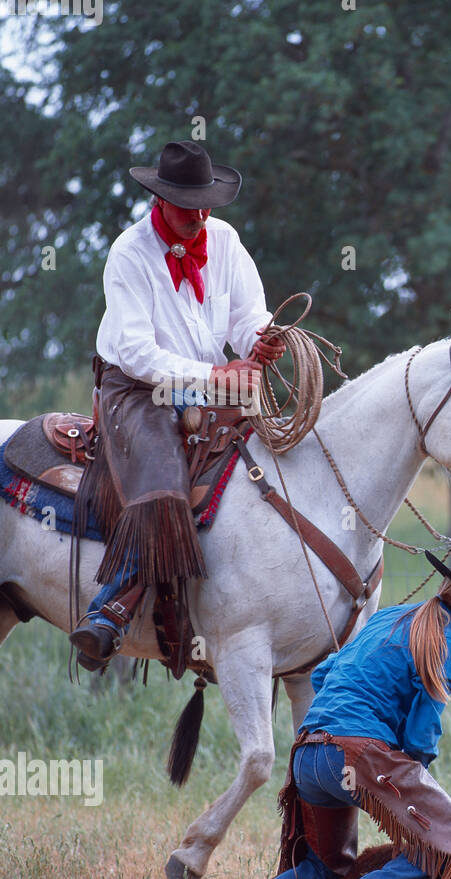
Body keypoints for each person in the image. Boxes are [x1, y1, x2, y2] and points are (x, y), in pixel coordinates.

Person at [193, 550, 451, 879]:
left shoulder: (388, 617)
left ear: (444, 586)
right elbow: (420, 736)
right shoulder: (445, 642)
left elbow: (324, 673)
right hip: (356, 755)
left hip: (308, 751)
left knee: (324, 867)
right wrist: (416, 797)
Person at [70, 140, 285, 671]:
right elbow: (140, 354)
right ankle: (111, 609)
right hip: (136, 388)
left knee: (277, 455)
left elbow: (245, 316)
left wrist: (261, 339)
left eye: (206, 203)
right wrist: (216, 375)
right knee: (165, 482)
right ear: (162, 200)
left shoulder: (225, 240)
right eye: (189, 205)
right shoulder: (128, 253)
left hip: (209, 383)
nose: (201, 215)